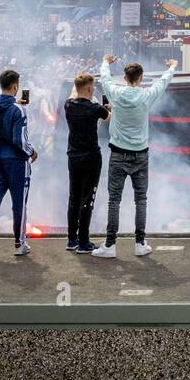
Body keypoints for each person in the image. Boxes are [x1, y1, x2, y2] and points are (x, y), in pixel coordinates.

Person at [92, 54, 176, 258]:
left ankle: (110, 245)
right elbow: (163, 82)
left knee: (114, 200)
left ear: (125, 77)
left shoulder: (115, 93)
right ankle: (140, 243)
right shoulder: (146, 96)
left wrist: (105, 62)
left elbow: (105, 78)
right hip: (141, 155)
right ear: (140, 78)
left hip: (118, 154)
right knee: (141, 200)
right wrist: (172, 67)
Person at [0, 69, 37, 260]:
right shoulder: (18, 110)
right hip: (16, 163)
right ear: (15, 86)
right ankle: (19, 243)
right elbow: (19, 140)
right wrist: (31, 151)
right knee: (19, 205)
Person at [64, 71, 109, 253]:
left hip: (73, 156)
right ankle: (84, 242)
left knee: (73, 198)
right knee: (87, 199)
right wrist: (107, 106)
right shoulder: (95, 108)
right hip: (91, 156)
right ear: (90, 88)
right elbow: (108, 118)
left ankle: (72, 240)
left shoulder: (68, 105)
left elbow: (73, 94)